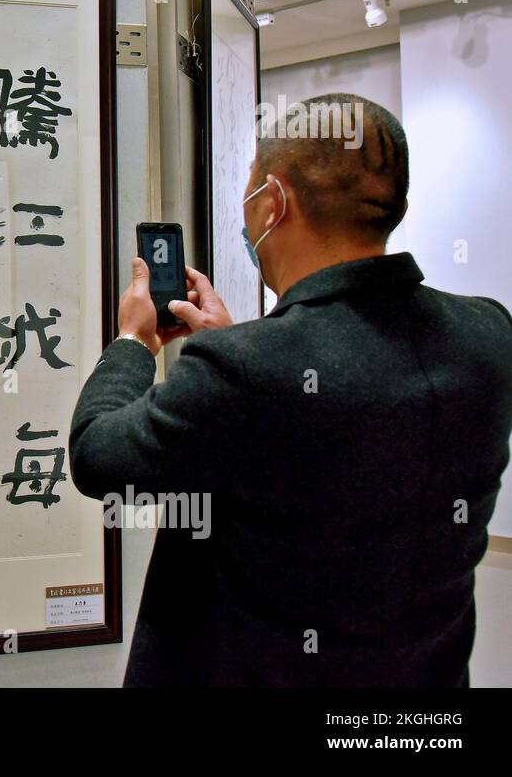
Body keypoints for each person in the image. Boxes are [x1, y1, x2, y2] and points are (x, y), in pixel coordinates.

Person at [68, 94, 512, 686]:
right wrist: (238, 348)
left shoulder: (248, 371)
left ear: (274, 202)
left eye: (250, 196)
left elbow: (99, 456)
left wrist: (132, 343)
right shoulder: (487, 331)